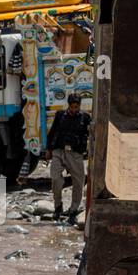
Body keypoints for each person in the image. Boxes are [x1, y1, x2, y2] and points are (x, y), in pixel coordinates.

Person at [45, 93, 90, 223]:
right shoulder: (60, 115)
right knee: (55, 178)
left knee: (78, 182)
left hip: (75, 154)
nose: (74, 109)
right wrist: (48, 149)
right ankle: (58, 206)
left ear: (79, 106)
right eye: (72, 106)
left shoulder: (85, 118)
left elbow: (90, 135)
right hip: (59, 152)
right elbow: (52, 132)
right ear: (68, 105)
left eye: (77, 107)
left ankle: (74, 209)